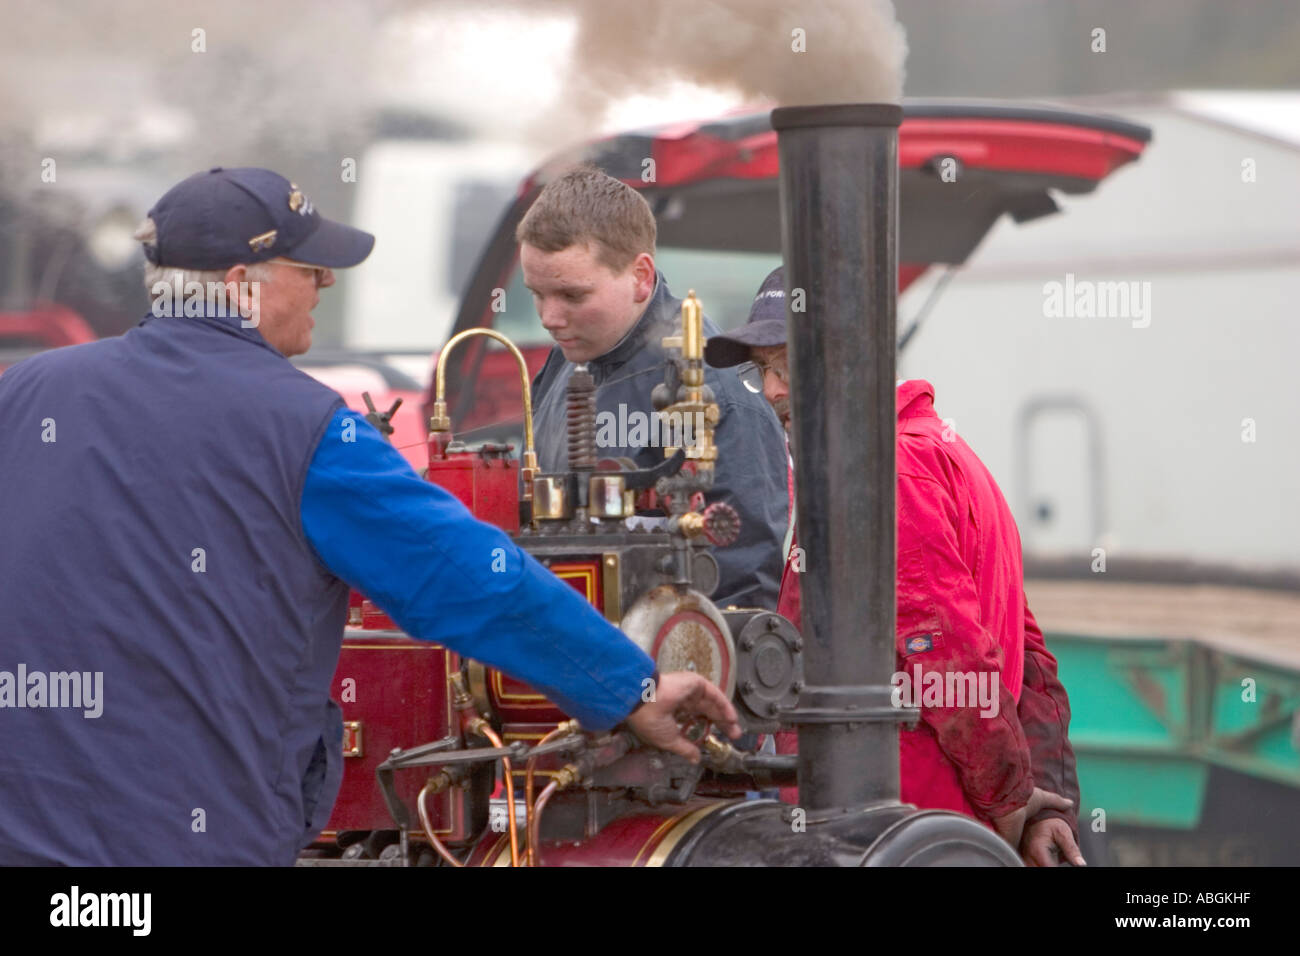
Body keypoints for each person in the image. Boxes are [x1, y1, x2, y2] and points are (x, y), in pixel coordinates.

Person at [0, 167, 738, 866]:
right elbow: (470, 579)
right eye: (308, 268)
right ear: (236, 287)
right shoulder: (306, 430)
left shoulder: (25, 393)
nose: (325, 283)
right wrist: (628, 688)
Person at [705, 266, 1084, 866]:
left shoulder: (883, 475)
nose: (774, 390)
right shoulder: (937, 449)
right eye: (764, 372)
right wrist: (1042, 801)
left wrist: (1010, 804)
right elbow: (1029, 655)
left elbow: (951, 659)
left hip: (897, 824)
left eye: (788, 366)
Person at [517, 166, 789, 610]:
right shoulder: (562, 364)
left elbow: (742, 593)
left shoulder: (718, 389)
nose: (549, 317)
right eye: (537, 294)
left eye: (571, 296)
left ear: (641, 276)